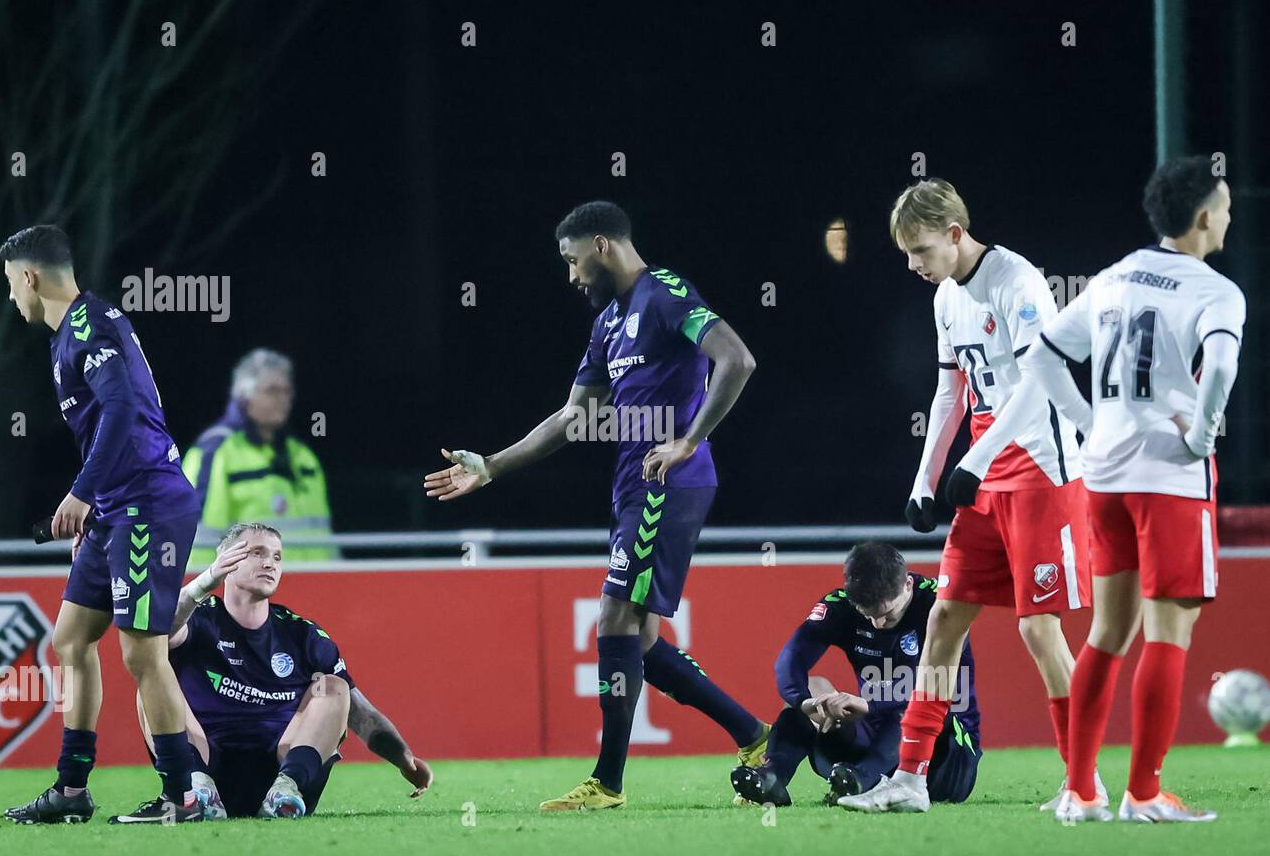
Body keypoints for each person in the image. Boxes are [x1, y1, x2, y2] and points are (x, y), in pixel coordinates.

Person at [424, 201, 766, 811]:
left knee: (613, 617)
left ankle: (606, 784)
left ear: (602, 244)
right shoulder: (609, 320)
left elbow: (737, 359)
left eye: (572, 260)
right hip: (634, 483)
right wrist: (494, 467)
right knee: (644, 643)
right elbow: (572, 416)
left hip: (670, 481)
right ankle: (755, 738)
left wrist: (689, 440)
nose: (572, 275)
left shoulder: (665, 293)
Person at [838, 180, 1103, 815]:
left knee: (1040, 629)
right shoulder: (947, 298)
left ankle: (1083, 783)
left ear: (956, 233)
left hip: (1042, 473)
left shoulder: (1018, 283)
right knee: (943, 619)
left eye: (921, 249)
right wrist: (924, 479)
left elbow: (1039, 382)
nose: (913, 265)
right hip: (984, 481)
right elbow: (950, 393)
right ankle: (909, 777)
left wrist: (974, 462)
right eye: (905, 253)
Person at [1017, 157, 1242, 823]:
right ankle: (1143, 791)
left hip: (1105, 475)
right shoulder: (1215, 290)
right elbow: (1223, 361)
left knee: (1108, 630)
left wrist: (1091, 423)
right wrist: (1202, 432)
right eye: (1225, 205)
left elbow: (1043, 355)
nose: (1229, 215)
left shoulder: (1114, 277)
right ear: (1203, 218)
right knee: (1169, 630)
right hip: (1169, 475)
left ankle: (1081, 789)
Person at [0, 224, 205, 825]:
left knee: (142, 651)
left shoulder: (90, 326)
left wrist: (81, 495)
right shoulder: (70, 336)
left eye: (12, 283)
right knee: (69, 639)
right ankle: (71, 790)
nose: (13, 297)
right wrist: (95, 506)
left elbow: (121, 410)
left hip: (145, 502)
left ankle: (182, 796)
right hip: (115, 506)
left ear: (31, 277)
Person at [151, 522, 432, 819]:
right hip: (206, 767)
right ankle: (198, 792)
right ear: (226, 562)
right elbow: (157, 630)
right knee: (151, 674)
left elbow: (360, 713)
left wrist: (404, 759)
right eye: (257, 553)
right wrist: (205, 582)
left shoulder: (302, 635)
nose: (269, 563)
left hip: (280, 775)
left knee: (334, 687)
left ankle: (285, 792)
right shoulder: (198, 619)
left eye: (276, 557)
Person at [732, 543, 981, 808]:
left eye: (887, 614)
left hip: (947, 760)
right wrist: (806, 703)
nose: (878, 624)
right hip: (875, 744)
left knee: (915, 708)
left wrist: (870, 705)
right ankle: (772, 777)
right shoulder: (841, 607)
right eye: (868, 615)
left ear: (908, 584)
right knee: (814, 689)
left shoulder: (940, 605)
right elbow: (789, 662)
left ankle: (865, 778)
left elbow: (942, 681)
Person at [182, 349, 335, 566]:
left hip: (316, 588)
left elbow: (325, 537)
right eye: (272, 391)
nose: (283, 399)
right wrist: (201, 594)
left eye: (287, 391)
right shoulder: (215, 452)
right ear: (245, 396)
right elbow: (200, 538)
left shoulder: (303, 457)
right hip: (252, 592)